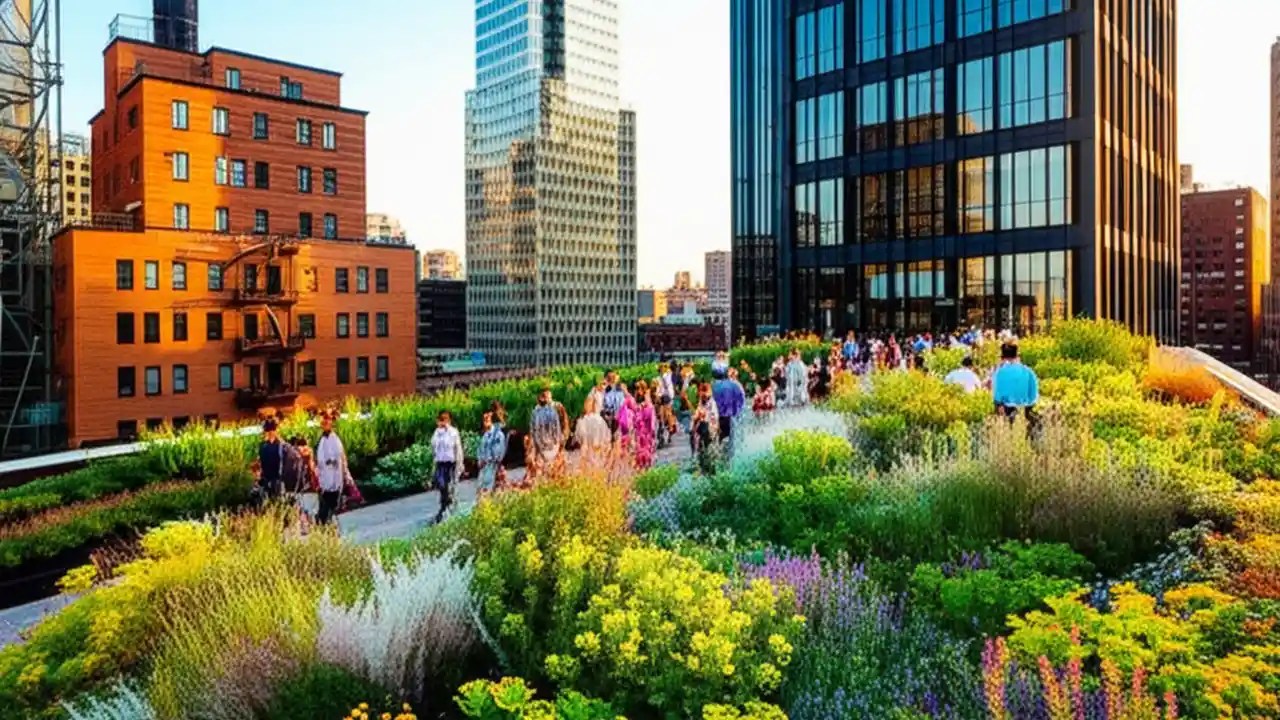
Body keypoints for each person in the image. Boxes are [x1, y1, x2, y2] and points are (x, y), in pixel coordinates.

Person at [314, 409, 352, 525]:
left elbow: (339, 459)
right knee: (323, 513)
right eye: (322, 421)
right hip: (324, 482)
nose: (323, 423)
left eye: (326, 421)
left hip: (333, 482)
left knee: (326, 512)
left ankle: (329, 533)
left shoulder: (334, 440)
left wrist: (331, 462)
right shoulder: (322, 439)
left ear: (331, 423)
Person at [991, 343, 1040, 427]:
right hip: (1026, 410)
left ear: (1003, 358)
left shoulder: (1000, 372)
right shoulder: (1028, 371)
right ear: (1017, 356)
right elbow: (1034, 395)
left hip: (1007, 411)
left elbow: (997, 396)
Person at [430, 410, 465, 524]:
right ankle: (445, 504)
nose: (443, 421)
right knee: (441, 485)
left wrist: (460, 464)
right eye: (441, 419)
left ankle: (447, 508)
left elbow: (458, 448)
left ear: (449, 420)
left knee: (450, 487)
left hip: (451, 464)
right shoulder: (437, 432)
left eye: (445, 419)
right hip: (440, 464)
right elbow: (434, 447)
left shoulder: (453, 432)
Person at [529, 385, 569, 479]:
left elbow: (565, 422)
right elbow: (533, 429)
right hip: (542, 445)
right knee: (544, 470)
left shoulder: (557, 406)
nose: (545, 396)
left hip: (556, 442)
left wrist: (563, 438)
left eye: (547, 393)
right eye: (543, 394)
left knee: (558, 467)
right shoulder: (536, 411)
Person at [256, 418, 293, 502]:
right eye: (268, 430)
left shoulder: (281, 445)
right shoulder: (262, 446)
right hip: (266, 478)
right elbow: (261, 462)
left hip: (278, 478)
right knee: (267, 502)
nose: (270, 432)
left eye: (272, 430)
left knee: (278, 501)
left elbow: (286, 462)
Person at [712, 366, 746, 454]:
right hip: (731, 417)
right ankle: (730, 460)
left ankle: (719, 458)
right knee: (731, 441)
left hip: (719, 417)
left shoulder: (715, 386)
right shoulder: (735, 386)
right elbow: (741, 402)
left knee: (718, 439)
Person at [690, 382, 720, 474]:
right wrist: (696, 420)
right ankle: (703, 471)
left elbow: (714, 419)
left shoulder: (712, 403)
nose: (703, 394)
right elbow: (696, 416)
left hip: (710, 433)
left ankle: (711, 472)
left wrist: (703, 417)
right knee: (701, 454)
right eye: (701, 392)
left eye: (705, 391)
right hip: (702, 432)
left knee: (710, 455)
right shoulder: (701, 403)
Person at [476, 410, 507, 497]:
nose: (485, 421)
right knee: (481, 489)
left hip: (493, 465)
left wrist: (496, 460)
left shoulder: (498, 435)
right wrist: (480, 460)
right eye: (484, 419)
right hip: (485, 467)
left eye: (488, 418)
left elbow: (500, 450)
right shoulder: (484, 436)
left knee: (491, 490)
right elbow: (480, 450)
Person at [575, 394, 612, 459]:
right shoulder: (581, 419)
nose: (587, 406)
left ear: (593, 405)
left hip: (596, 449)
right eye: (586, 403)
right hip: (585, 450)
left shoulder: (598, 419)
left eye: (589, 404)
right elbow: (579, 436)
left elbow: (604, 435)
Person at [633, 380, 658, 469]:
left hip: (646, 430)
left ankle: (647, 466)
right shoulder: (638, 400)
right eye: (636, 389)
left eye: (638, 388)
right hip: (639, 430)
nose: (637, 391)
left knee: (646, 449)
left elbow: (649, 414)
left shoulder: (646, 401)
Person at [601, 371, 626, 436]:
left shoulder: (619, 390)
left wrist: (617, 414)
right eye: (609, 378)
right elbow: (604, 403)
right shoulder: (605, 389)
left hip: (616, 418)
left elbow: (621, 403)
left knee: (615, 437)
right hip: (607, 417)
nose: (611, 379)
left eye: (613, 377)